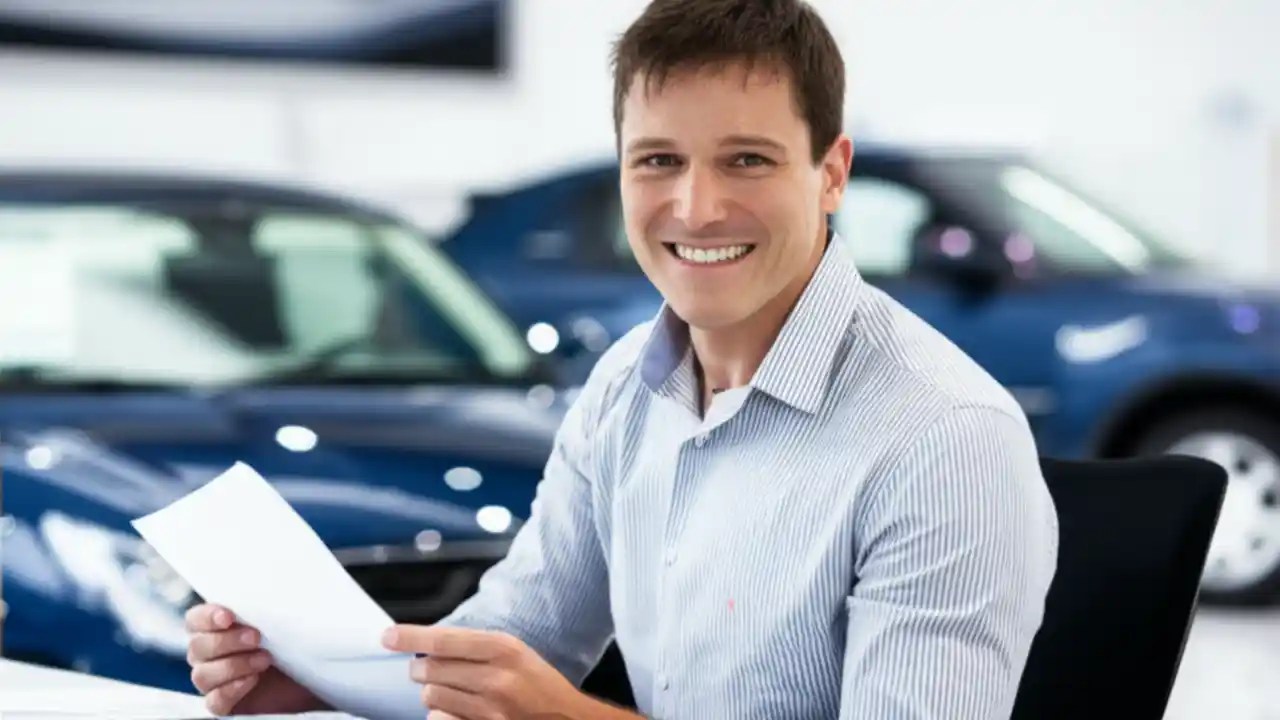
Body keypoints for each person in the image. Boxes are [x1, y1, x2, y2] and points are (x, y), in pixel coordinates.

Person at [183, 0, 1060, 717]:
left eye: (747, 160)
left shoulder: (943, 437)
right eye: (658, 161)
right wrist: (325, 680)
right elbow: (516, 637)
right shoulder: (624, 390)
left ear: (832, 173)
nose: (697, 206)